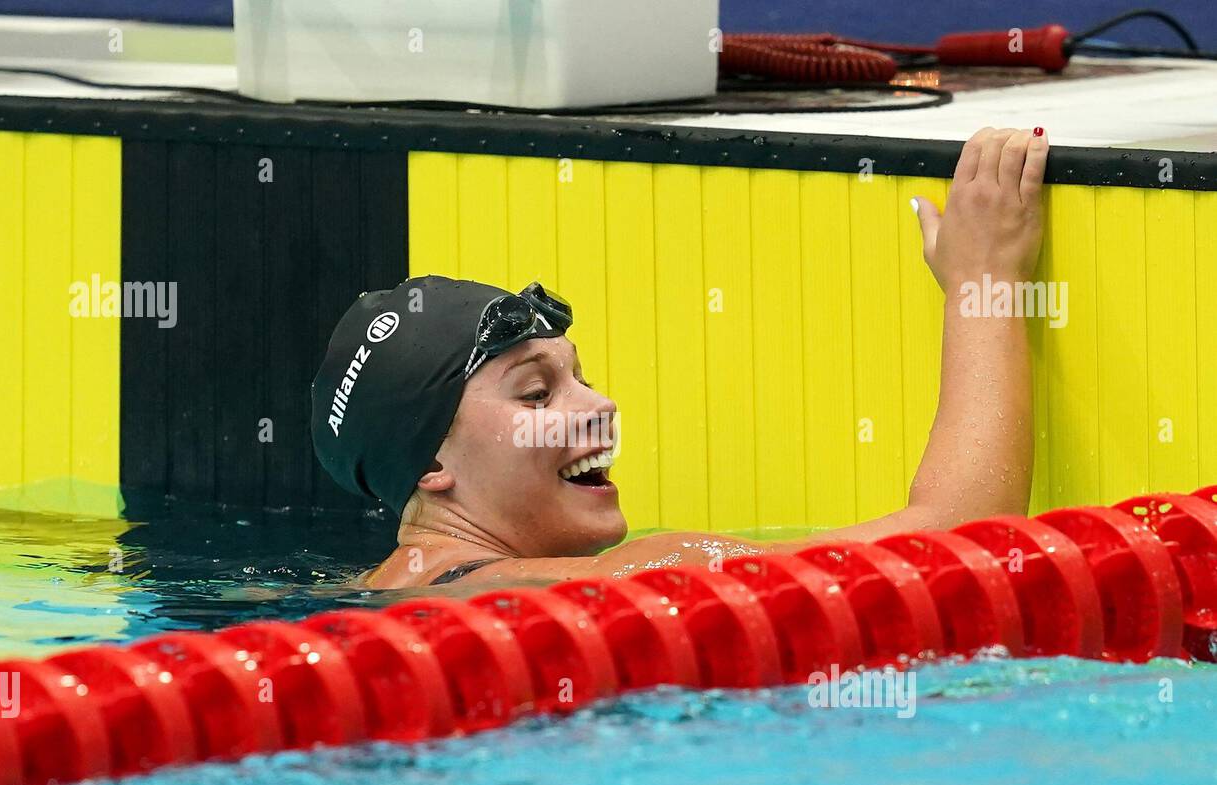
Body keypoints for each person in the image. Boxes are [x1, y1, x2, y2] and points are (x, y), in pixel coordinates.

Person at [311, 127, 1049, 588]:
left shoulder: (376, 590)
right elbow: (961, 544)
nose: (601, 407)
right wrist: (985, 282)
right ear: (430, 464)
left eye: (581, 376)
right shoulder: (623, 579)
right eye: (536, 396)